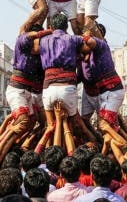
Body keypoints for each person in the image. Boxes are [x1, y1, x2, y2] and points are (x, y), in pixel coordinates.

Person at [0, 25, 50, 171]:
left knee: (32, 120)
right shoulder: (22, 44)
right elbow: (24, 30)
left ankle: (11, 146)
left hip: (28, 94)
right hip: (16, 90)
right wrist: (47, 31)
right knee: (22, 121)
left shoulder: (40, 57)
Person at [36, 13, 97, 155]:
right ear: (66, 27)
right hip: (68, 88)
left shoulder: (43, 40)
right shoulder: (73, 39)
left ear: (51, 27)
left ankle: (50, 159)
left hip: (48, 88)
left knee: (50, 126)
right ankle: (76, 155)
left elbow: (32, 48)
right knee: (72, 124)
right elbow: (89, 47)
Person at [79, 24, 127, 150]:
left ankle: (126, 145)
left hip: (110, 90)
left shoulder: (101, 46)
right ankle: (101, 146)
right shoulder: (83, 53)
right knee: (102, 126)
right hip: (98, 92)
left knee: (106, 126)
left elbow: (87, 39)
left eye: (88, 33)